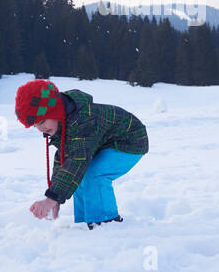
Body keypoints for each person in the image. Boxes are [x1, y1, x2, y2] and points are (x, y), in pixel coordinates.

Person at [14, 79, 148, 228]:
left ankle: (105, 222)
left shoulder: (83, 120)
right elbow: (64, 161)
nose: (41, 128)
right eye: (35, 125)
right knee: (79, 175)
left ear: (55, 111)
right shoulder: (62, 123)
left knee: (93, 173)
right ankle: (85, 222)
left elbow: (78, 160)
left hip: (130, 140)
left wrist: (51, 198)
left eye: (43, 121)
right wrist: (55, 196)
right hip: (103, 144)